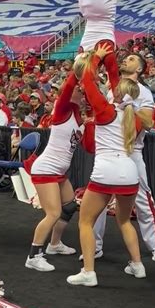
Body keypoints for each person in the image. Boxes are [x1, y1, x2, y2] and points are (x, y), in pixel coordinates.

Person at [67, 46, 146, 287]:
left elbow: (88, 81)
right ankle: (138, 265)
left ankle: (88, 271)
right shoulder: (137, 117)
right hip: (129, 172)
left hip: (106, 170)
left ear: (117, 93)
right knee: (124, 221)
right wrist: (109, 62)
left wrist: (97, 58)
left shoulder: (105, 110)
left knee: (85, 222)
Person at [92, 53, 155, 262]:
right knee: (98, 201)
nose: (126, 59)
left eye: (133, 59)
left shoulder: (143, 91)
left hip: (131, 151)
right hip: (107, 151)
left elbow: (150, 122)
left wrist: (130, 106)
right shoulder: (111, 90)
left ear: (140, 69)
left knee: (142, 200)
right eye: (126, 58)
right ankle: (95, 246)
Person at [24, 71, 93, 273]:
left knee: (70, 207)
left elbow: (89, 147)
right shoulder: (63, 108)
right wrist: (78, 71)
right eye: (79, 90)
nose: (82, 91)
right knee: (53, 213)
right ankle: (34, 256)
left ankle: (54, 245)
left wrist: (90, 123)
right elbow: (69, 87)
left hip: (58, 172)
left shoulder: (80, 114)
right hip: (46, 168)